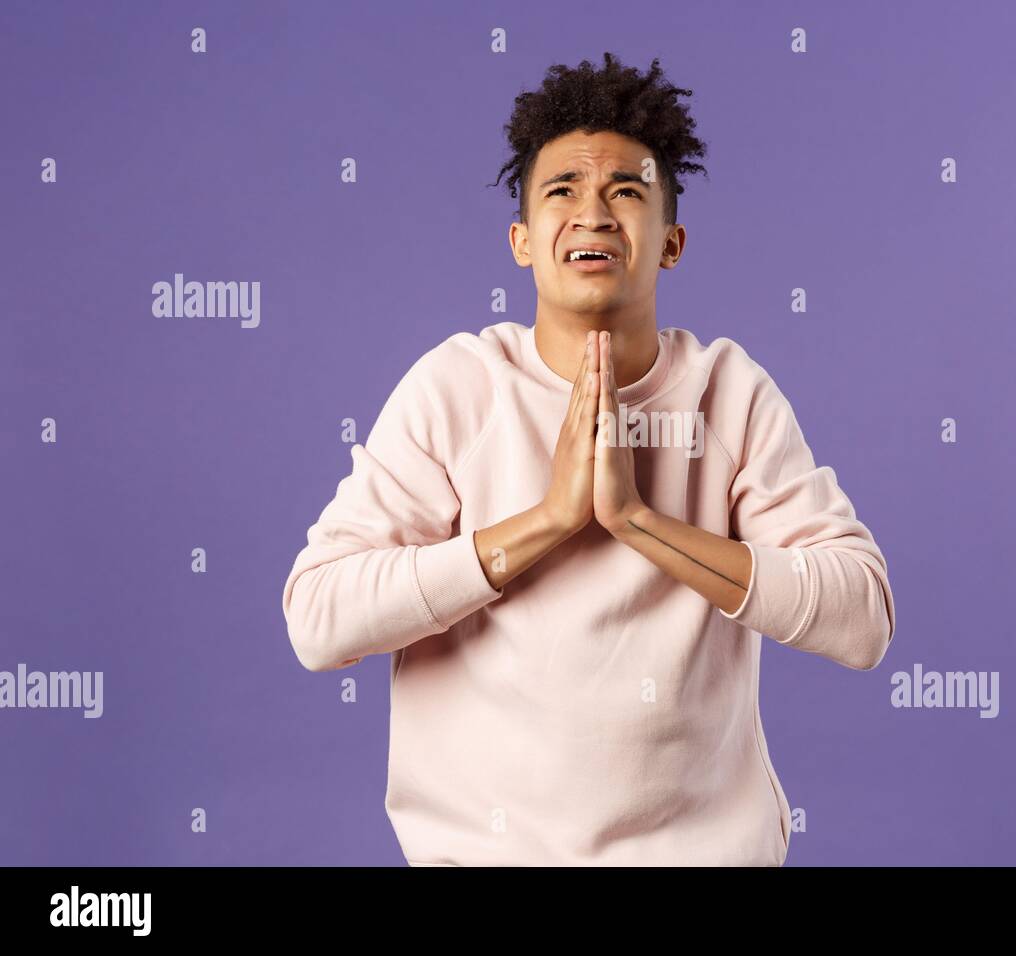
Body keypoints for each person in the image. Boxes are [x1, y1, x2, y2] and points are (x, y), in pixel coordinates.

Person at [281, 52, 896, 866]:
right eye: (561, 192)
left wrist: (640, 523)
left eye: (627, 193)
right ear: (522, 241)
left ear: (670, 243)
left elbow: (862, 620)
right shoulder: (456, 389)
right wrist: (547, 523)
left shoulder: (729, 393)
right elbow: (319, 621)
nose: (594, 215)